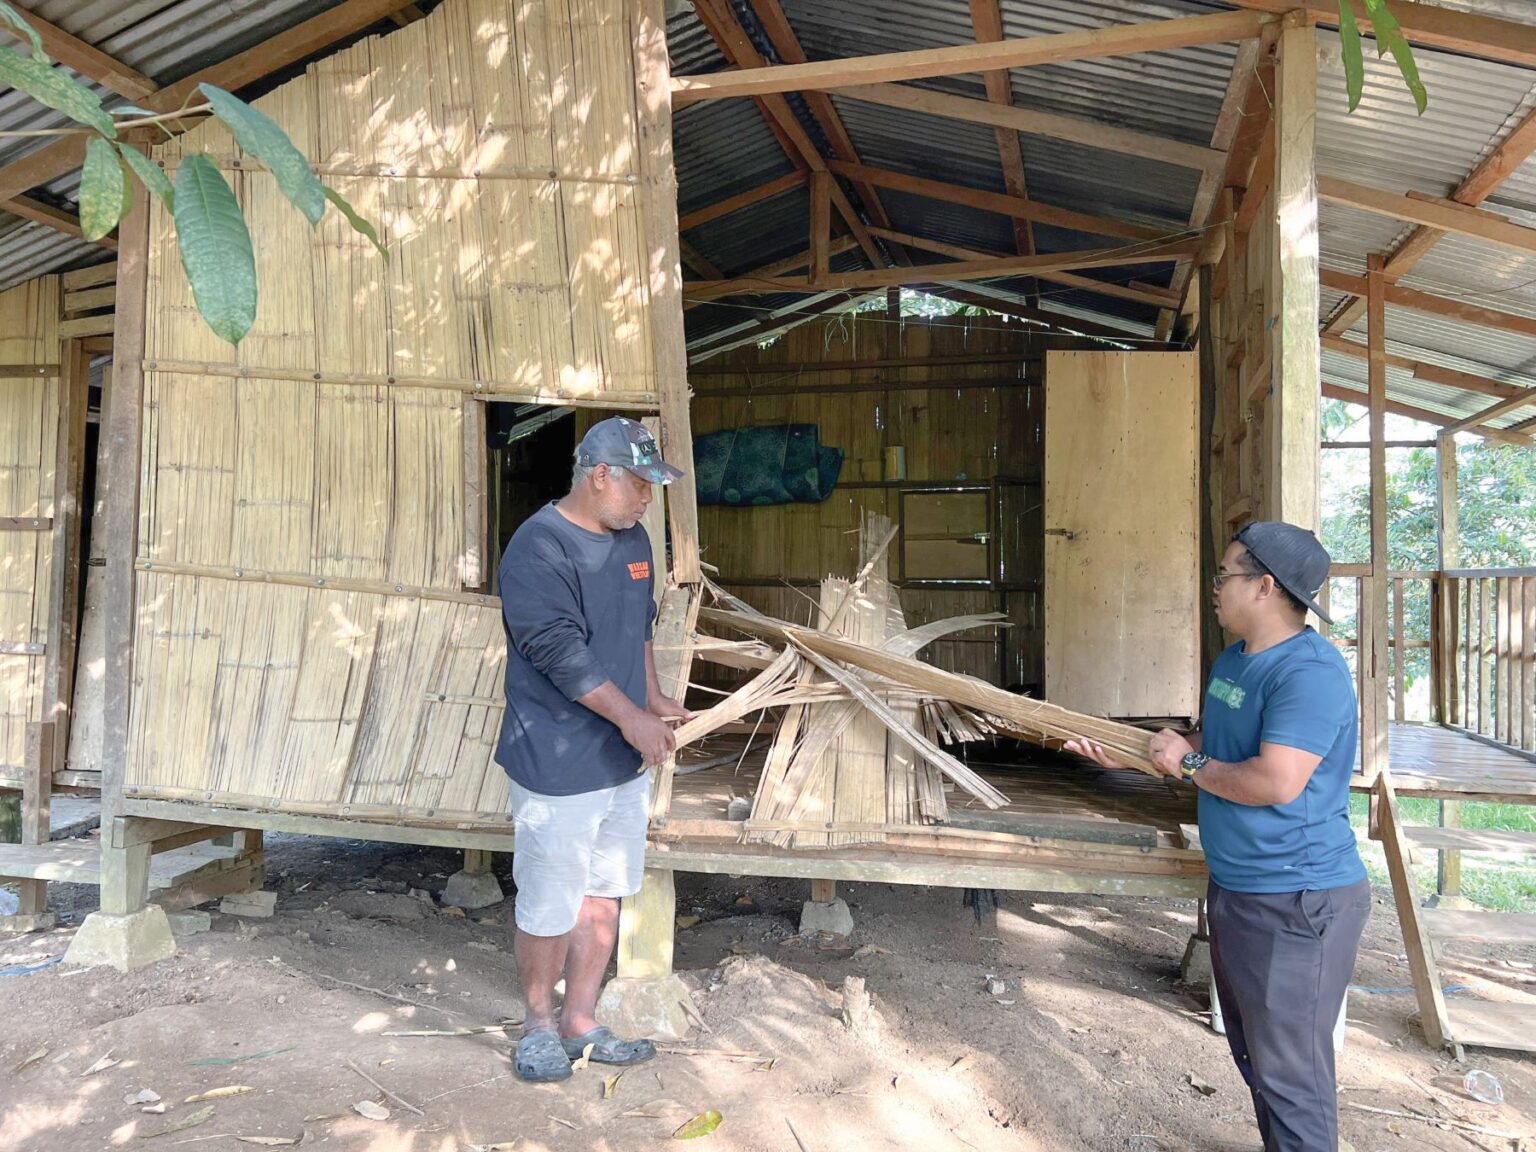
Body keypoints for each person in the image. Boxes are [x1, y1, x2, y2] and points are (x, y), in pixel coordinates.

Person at [1067, 521, 1369, 1152]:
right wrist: (1137, 756)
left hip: (1297, 899)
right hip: (1238, 888)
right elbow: (1220, 746)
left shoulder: (1309, 672)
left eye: (1224, 574)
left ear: (1264, 586)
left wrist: (1189, 764)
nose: (1215, 586)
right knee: (1257, 1055)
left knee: (1291, 1074)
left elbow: (1275, 780)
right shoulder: (1235, 661)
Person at [494, 416, 695, 1084]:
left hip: (619, 761)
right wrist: (632, 718)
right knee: (551, 899)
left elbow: (640, 624)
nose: (646, 498)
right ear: (600, 475)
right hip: (556, 761)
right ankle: (538, 1026)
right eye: (639, 484)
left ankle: (580, 1020)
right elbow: (559, 653)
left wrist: (653, 697)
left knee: (604, 892)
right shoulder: (539, 547)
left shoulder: (633, 539)